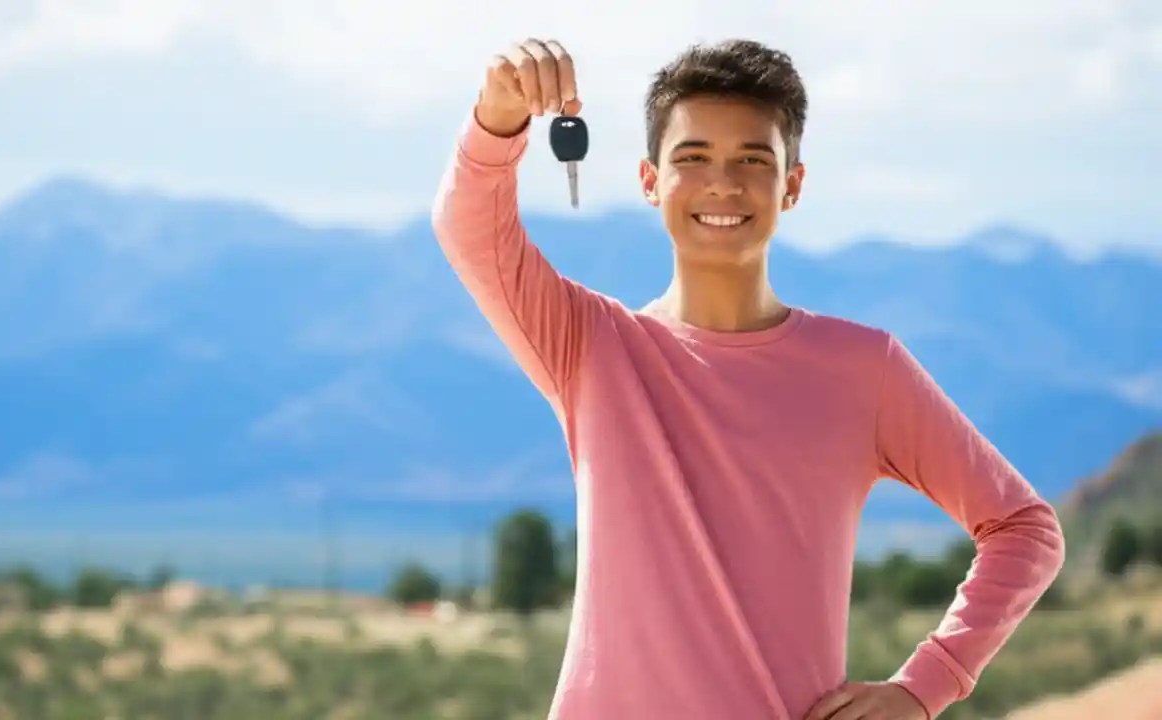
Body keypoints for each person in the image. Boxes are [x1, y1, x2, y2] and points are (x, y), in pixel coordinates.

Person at [430, 37, 1065, 720]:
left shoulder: (864, 369)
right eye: (693, 157)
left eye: (753, 160)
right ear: (650, 181)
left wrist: (925, 685)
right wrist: (497, 115)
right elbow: (469, 232)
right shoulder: (591, 345)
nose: (723, 184)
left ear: (792, 185)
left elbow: (1024, 528)